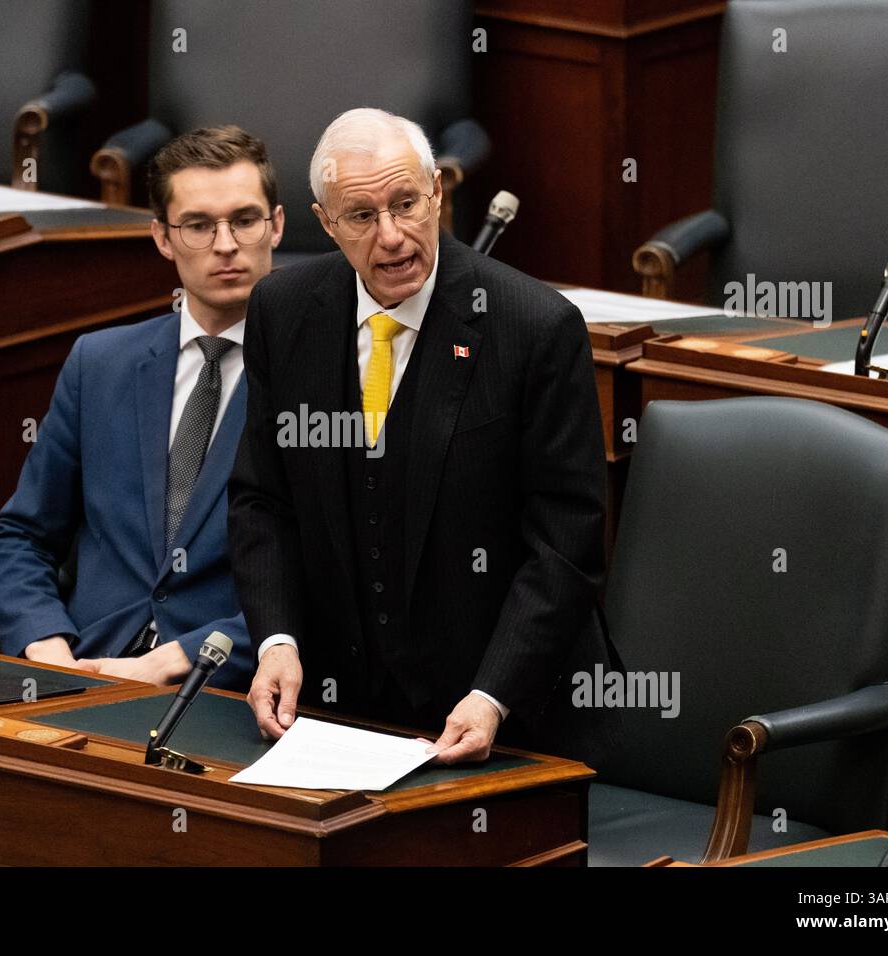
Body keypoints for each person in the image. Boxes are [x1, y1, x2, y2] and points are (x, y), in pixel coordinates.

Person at [229, 107, 620, 759]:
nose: (392, 236)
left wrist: (492, 695)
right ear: (325, 223)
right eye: (361, 216)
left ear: (437, 191)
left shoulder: (533, 328)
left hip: (509, 723)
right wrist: (277, 640)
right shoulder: (282, 311)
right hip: (339, 715)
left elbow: (565, 545)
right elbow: (262, 501)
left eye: (407, 203)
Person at [0, 125, 284, 690]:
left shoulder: (321, 375)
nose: (225, 244)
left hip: (221, 688)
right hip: (82, 670)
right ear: (162, 238)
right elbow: (22, 537)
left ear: (277, 226)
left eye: (244, 220)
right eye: (197, 225)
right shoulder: (100, 363)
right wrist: (45, 643)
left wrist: (179, 657)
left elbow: (332, 584)